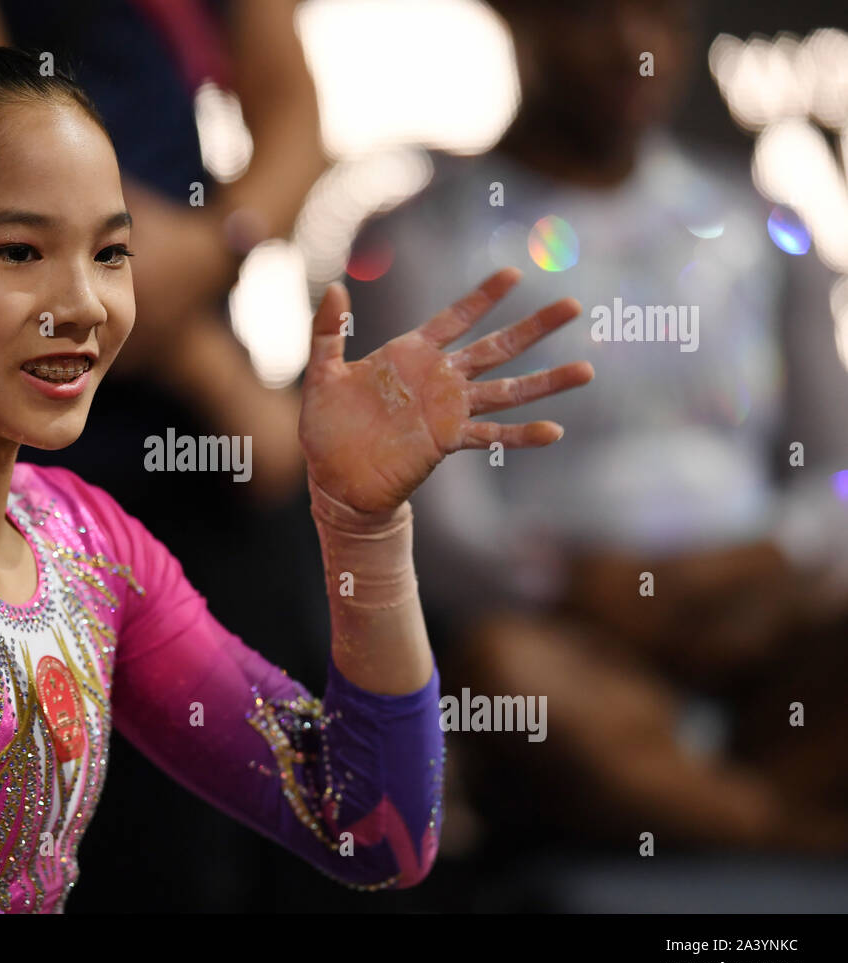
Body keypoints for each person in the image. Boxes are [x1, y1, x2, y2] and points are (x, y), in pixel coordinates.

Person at [0, 14, 592, 913]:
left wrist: (364, 526)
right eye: (20, 252)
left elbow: (370, 829)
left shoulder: (79, 535)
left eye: (112, 253)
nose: (86, 304)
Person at [0, 0, 339, 912]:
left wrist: (221, 242)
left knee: (298, 808)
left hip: (197, 446)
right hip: (45, 459)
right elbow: (4, 173)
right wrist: (215, 376)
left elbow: (292, 117)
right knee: (120, 836)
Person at [345, 0, 848, 859]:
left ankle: (700, 809)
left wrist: (762, 566)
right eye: (590, 14)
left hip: (762, 626)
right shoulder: (418, 239)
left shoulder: (764, 227)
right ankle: (789, 831)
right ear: (515, 18)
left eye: (661, 17)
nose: (632, 48)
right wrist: (583, 587)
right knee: (508, 676)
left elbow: (834, 472)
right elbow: (432, 516)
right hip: (571, 644)